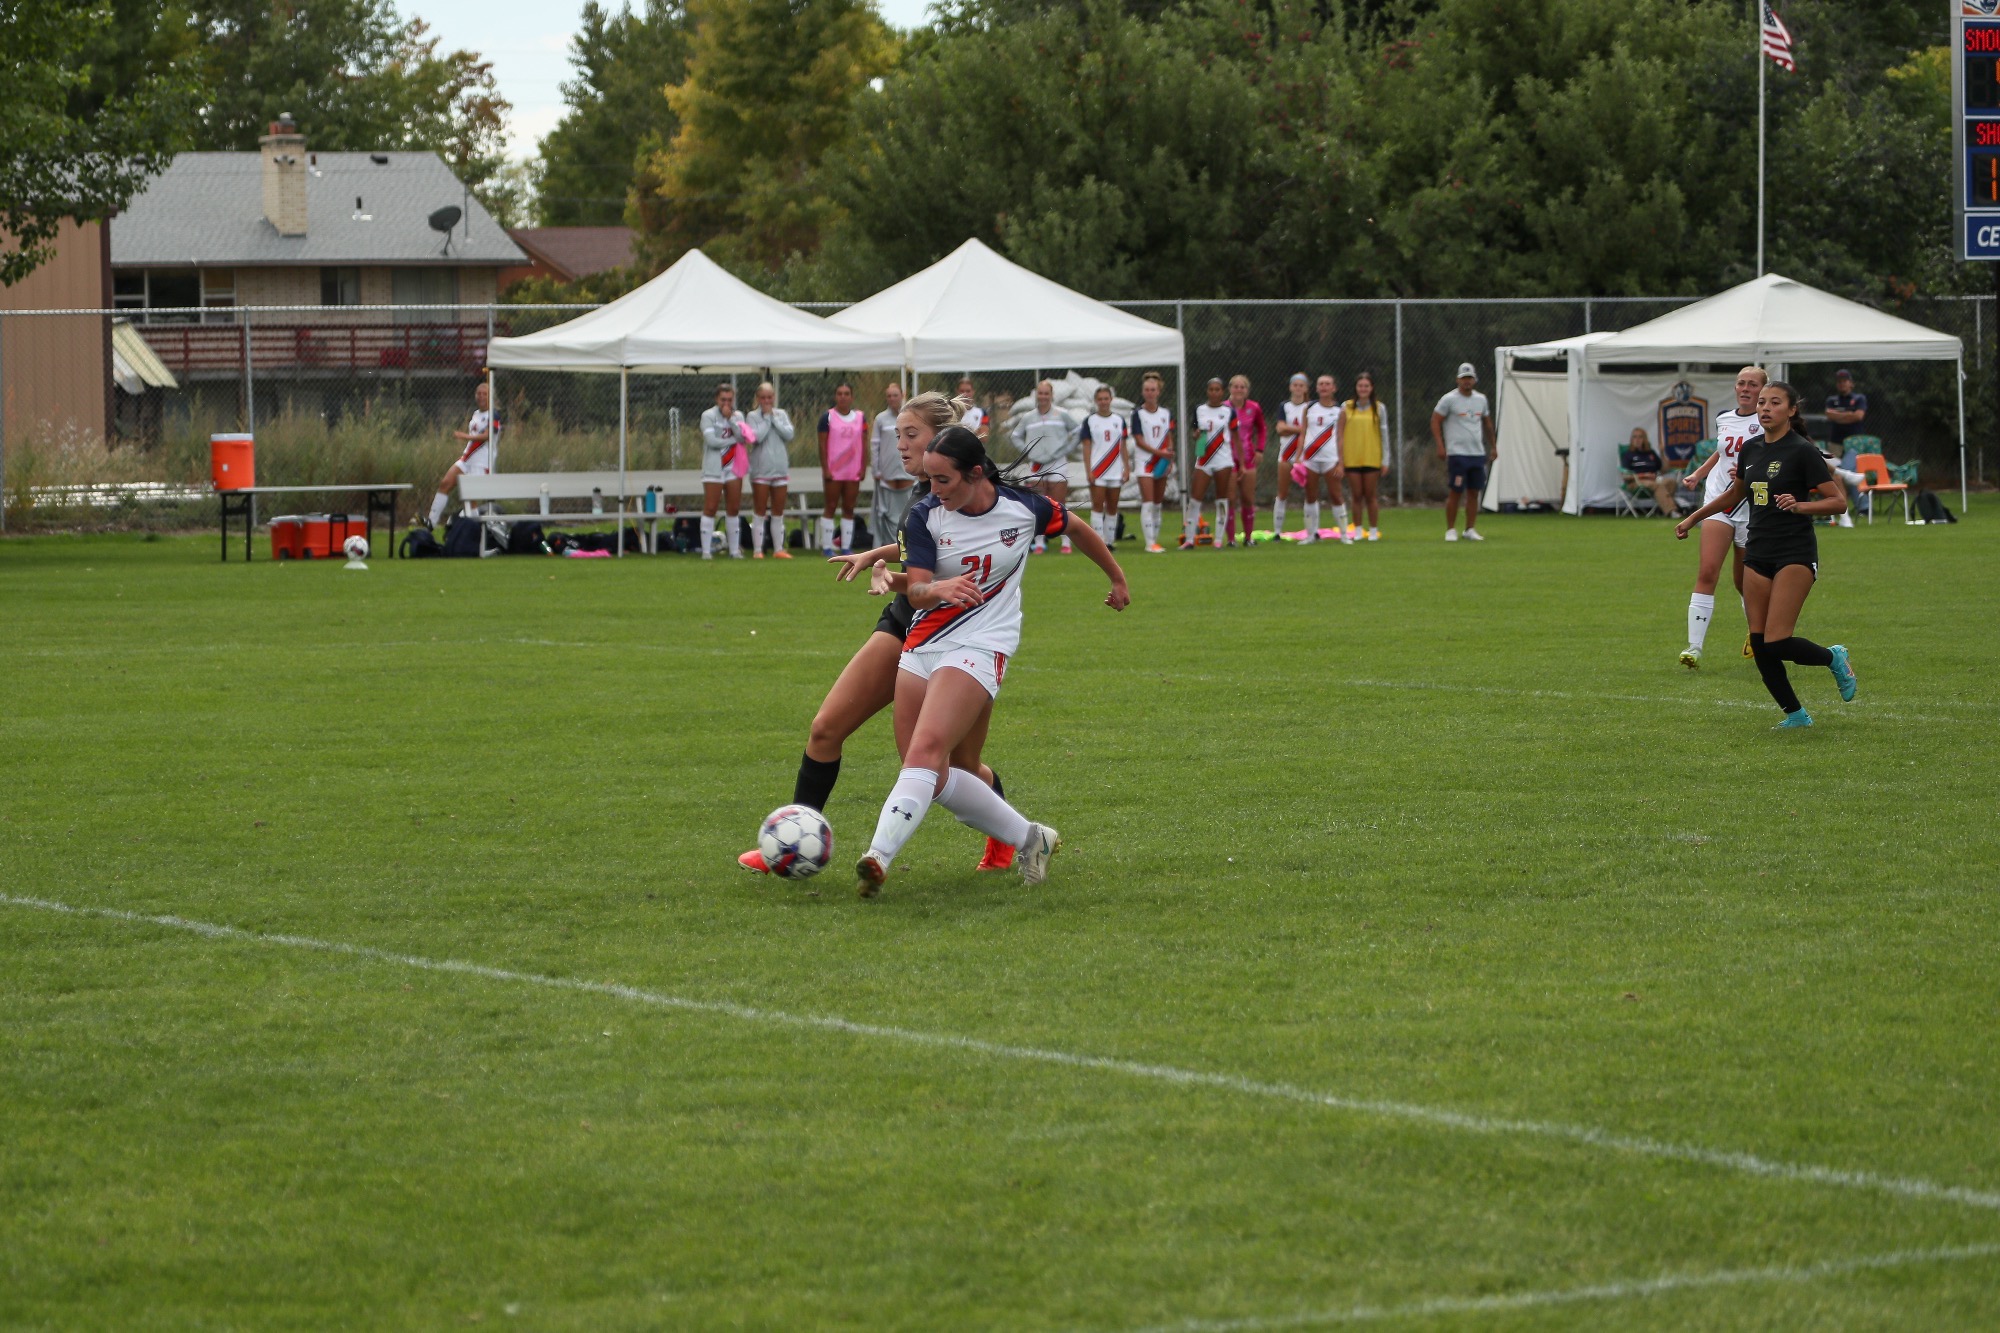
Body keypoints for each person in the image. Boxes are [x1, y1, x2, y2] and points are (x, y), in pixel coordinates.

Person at [739, 391, 1018, 875]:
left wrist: (897, 572)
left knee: (960, 768)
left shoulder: (972, 493)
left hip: (960, 637)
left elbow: (960, 561)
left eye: (911, 435)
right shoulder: (922, 493)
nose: (901, 445)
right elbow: (920, 550)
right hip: (905, 624)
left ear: (943, 441)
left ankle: (1009, 839)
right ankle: (793, 837)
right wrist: (878, 557)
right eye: (898, 435)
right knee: (826, 728)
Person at [854, 424, 1131, 897]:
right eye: (929, 479)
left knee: (925, 753)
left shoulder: (1023, 508)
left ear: (976, 473)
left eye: (943, 480)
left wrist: (1117, 578)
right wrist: (928, 586)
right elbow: (919, 589)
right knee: (930, 774)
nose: (933, 490)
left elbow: (1078, 528)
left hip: (983, 644)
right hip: (923, 642)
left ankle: (877, 858)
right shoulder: (925, 516)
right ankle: (1032, 838)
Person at [1675, 381, 1857, 727]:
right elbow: (1734, 495)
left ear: (1791, 411)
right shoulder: (1752, 449)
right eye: (1762, 402)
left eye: (1775, 402)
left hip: (1794, 552)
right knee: (1760, 643)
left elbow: (1838, 501)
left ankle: (1833, 657)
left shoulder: (1802, 450)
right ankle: (1796, 715)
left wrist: (1800, 505)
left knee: (1777, 640)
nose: (1765, 408)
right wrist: (1694, 517)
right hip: (1757, 551)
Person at [1674, 365, 1765, 668]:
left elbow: (1775, 457)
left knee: (1744, 583)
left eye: (1752, 384)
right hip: (1718, 502)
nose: (1745, 389)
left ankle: (1757, 633)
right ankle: (1694, 648)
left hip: (1751, 509)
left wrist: (1750, 472)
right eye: (1741, 383)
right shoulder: (1724, 418)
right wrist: (1699, 473)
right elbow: (1722, 451)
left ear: (1762, 391)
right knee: (1707, 571)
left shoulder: (1767, 422)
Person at [1009, 379, 1075, 554]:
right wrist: (1028, 452)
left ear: (1052, 395)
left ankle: (1066, 542)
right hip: (1036, 464)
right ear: (1036, 395)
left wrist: (1064, 449)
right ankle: (1039, 542)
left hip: (1057, 462)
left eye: (1046, 393)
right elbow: (1015, 436)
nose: (1043, 397)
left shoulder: (1062, 414)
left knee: (1059, 502)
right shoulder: (1028, 417)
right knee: (1037, 502)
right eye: (1040, 393)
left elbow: (1076, 432)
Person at [1431, 362, 1495, 542]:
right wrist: (1440, 445)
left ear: (1474, 380)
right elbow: (1435, 421)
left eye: (1470, 378)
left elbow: (1487, 424)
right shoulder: (1448, 399)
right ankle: (1451, 529)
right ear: (1458, 379)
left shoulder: (1481, 400)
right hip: (1457, 453)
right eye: (1464, 378)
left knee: (1474, 492)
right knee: (1456, 491)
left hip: (1477, 453)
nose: (1467, 382)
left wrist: (1493, 446)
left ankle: (1470, 528)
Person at [423, 380, 497, 530]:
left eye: (485, 394)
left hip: (481, 463)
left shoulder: (494, 415)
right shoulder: (476, 414)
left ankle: (477, 531)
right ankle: (431, 522)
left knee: (470, 500)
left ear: (490, 397)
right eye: (479, 394)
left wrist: (465, 436)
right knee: (445, 483)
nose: (481, 397)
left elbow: (487, 436)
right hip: (467, 459)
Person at [698, 382, 749, 560]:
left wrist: (732, 421)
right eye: (722, 400)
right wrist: (734, 440)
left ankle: (734, 551)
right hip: (714, 467)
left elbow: (743, 437)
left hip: (733, 467)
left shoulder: (738, 415)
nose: (726, 403)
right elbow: (712, 441)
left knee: (733, 508)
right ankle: (706, 551)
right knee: (711, 507)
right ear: (716, 399)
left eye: (729, 399)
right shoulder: (708, 415)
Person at [1183, 377, 1236, 549]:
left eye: (1217, 389)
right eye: (1211, 389)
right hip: (1204, 459)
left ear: (1223, 392)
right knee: (1195, 499)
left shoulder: (1229, 411)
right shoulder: (1199, 410)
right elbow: (1195, 433)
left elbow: (1235, 436)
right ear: (1207, 391)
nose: (1214, 393)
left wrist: (1241, 461)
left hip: (1223, 459)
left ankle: (1219, 540)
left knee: (1221, 499)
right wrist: (1196, 436)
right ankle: (1189, 539)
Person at [744, 382, 795, 559]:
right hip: (761, 471)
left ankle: (778, 549)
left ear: (773, 397)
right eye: (763, 397)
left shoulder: (780, 414)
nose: (766, 401)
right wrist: (766, 419)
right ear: (758, 399)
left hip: (780, 469)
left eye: (769, 397)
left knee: (778, 511)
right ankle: (758, 550)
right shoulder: (752, 416)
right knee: (760, 510)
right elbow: (755, 437)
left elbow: (789, 434)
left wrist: (774, 419)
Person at [1298, 374, 1350, 544]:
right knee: (1310, 495)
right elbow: (1303, 433)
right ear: (1317, 388)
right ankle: (1311, 535)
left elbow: (1341, 437)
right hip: (1311, 458)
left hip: (1330, 458)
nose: (1324, 387)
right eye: (1321, 384)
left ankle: (1343, 534)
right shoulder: (1309, 408)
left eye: (1327, 384)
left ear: (1334, 388)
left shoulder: (1339, 411)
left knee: (1336, 495)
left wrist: (1341, 462)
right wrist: (1299, 457)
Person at [819, 382, 869, 555]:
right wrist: (825, 468)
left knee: (849, 507)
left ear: (852, 397)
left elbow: (864, 443)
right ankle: (826, 546)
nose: (843, 397)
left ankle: (846, 546)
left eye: (846, 393)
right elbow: (822, 445)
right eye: (839, 393)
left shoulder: (860, 418)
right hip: (834, 471)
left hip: (852, 470)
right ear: (835, 396)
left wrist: (863, 467)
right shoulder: (827, 417)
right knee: (831, 505)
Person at [1080, 384, 1132, 546]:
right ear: (1096, 401)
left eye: (1106, 398)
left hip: (1115, 470)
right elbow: (1087, 447)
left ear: (1111, 400)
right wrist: (1089, 470)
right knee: (1097, 505)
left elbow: (1123, 446)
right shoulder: (1090, 421)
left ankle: (1109, 541)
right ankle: (1098, 541)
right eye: (1100, 399)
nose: (1103, 402)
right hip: (1098, 470)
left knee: (1112, 506)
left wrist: (1127, 468)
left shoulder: (1119, 420)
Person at [1130, 371, 1175, 553]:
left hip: (1162, 461)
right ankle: (1149, 543)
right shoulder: (1137, 414)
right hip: (1145, 462)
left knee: (1157, 503)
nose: (1150, 393)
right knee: (1148, 503)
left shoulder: (1165, 413)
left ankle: (1155, 539)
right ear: (1143, 392)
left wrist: (1169, 455)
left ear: (1158, 392)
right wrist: (1159, 453)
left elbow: (1169, 436)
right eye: (1147, 390)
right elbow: (1139, 440)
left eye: (1153, 390)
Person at [1341, 370, 1386, 541]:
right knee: (1356, 495)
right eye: (1360, 386)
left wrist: (1385, 459)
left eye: (1366, 386)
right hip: (1352, 456)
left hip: (1371, 456)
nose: (1363, 388)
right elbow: (1340, 433)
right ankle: (1358, 529)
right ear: (1356, 387)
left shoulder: (1379, 408)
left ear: (1371, 388)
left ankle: (1373, 529)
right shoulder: (1347, 407)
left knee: (1370, 495)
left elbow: (1384, 434)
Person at [871, 381, 913, 548]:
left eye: (895, 395)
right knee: (886, 516)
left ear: (902, 395)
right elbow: (875, 445)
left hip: (908, 478)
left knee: (907, 515)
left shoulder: (911, 416)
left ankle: (908, 547)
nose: (892, 399)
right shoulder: (880, 419)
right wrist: (876, 469)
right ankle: (888, 550)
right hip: (887, 478)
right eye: (888, 396)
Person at [1226, 374, 1267, 546]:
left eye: (1242, 387)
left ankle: (1248, 537)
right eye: (1235, 386)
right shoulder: (1223, 408)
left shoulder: (1253, 408)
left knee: (1248, 499)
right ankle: (1230, 539)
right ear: (1230, 389)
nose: (1238, 390)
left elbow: (1262, 429)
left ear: (1247, 390)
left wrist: (1260, 449)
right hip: (1227, 458)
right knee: (1230, 498)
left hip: (1248, 458)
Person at [1271, 373, 1310, 539]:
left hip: (1306, 455)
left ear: (1306, 388)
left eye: (1301, 385)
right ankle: (1278, 532)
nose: (1298, 388)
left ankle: (1311, 530)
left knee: (1310, 493)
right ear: (1290, 387)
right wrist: (1301, 429)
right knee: (1282, 493)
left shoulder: (1310, 407)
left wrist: (1290, 428)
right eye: (1295, 385)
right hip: (1286, 454)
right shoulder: (1284, 406)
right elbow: (1280, 428)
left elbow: (1311, 430)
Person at [1623, 427, 1677, 517]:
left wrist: (1662, 452)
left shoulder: (1650, 453)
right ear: (1631, 439)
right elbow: (1625, 476)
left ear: (1645, 439)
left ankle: (1662, 508)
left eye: (1640, 437)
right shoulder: (1628, 454)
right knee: (1657, 486)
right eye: (1634, 437)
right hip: (1637, 482)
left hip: (1654, 480)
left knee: (1671, 482)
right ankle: (1671, 511)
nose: (1637, 440)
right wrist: (1644, 476)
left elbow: (1664, 470)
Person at [957, 377, 988, 441]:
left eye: (968, 391)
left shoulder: (982, 413)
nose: (965, 394)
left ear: (973, 392)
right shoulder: (949, 412)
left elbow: (984, 437)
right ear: (957, 392)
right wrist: (975, 431)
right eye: (962, 391)